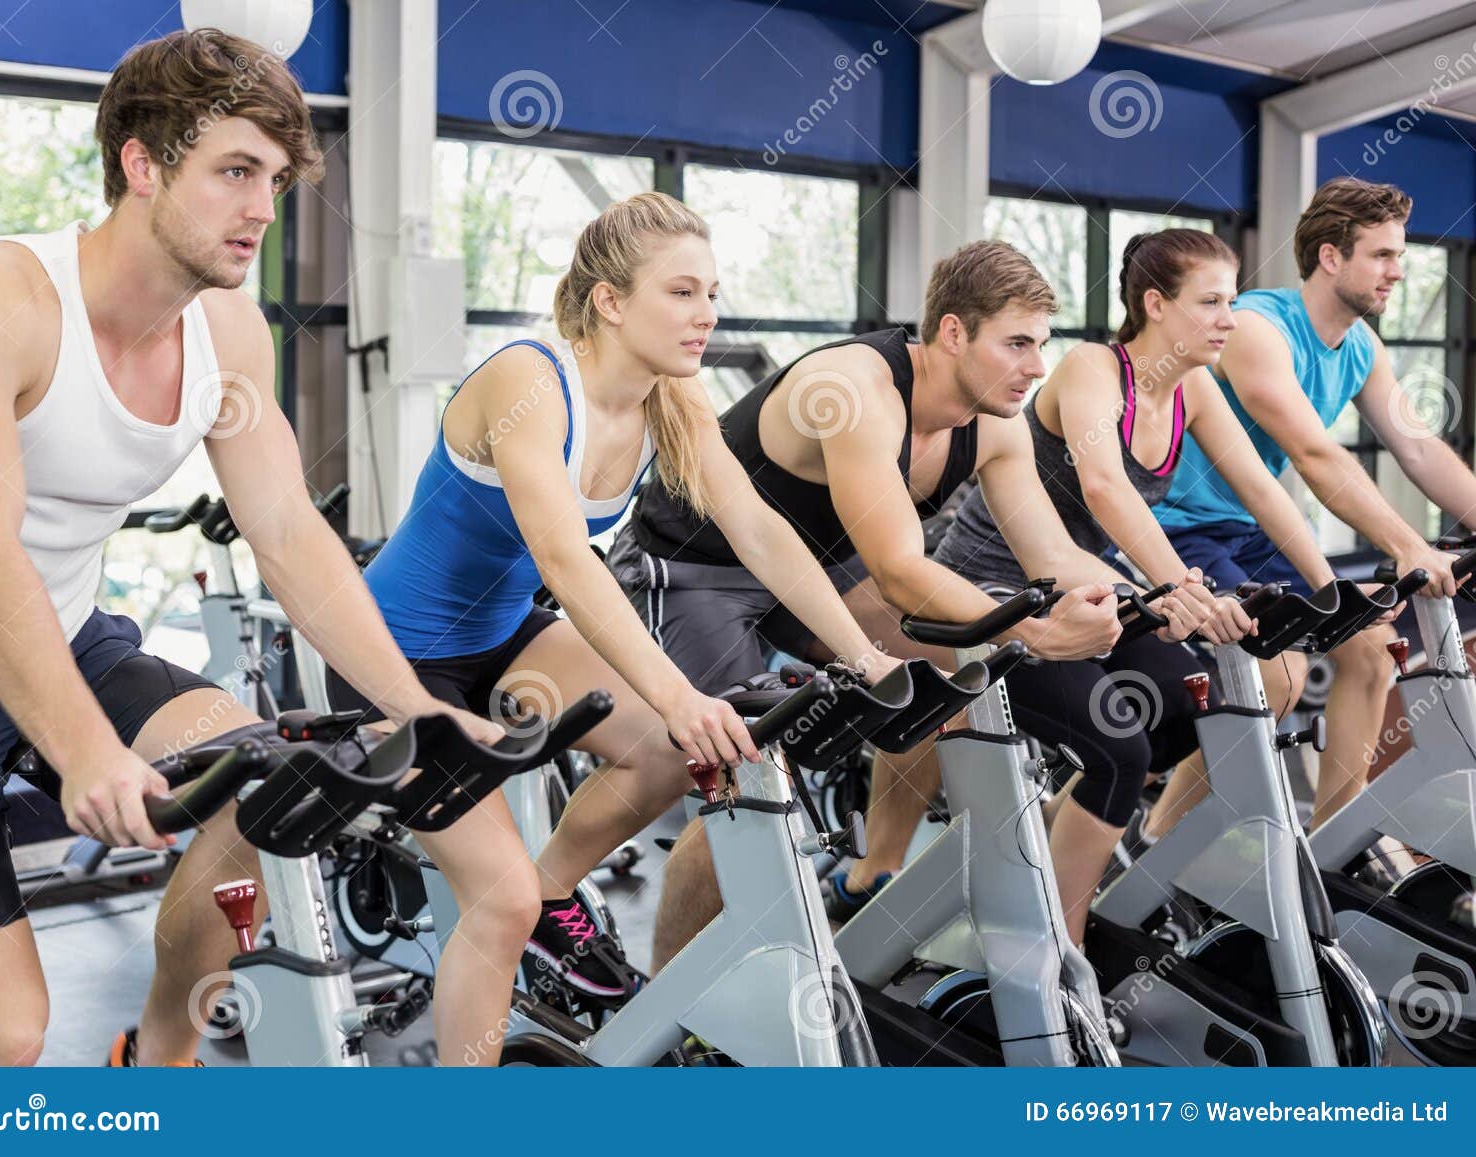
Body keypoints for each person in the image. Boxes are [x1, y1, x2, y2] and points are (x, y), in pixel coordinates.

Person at [0, 31, 499, 1068]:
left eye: (277, 178)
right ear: (142, 162)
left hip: (66, 635)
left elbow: (289, 531)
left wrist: (412, 706)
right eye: (236, 173)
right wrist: (83, 751)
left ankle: (157, 1056)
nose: (265, 207)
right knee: (5, 1034)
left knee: (267, 775)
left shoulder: (227, 332)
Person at [329, 191, 903, 1065]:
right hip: (390, 656)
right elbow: (563, 559)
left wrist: (866, 655)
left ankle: (556, 891)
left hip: (502, 638)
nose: (706, 313)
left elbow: (758, 529)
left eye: (712, 291)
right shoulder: (530, 380)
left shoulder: (672, 398)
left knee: (674, 757)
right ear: (609, 299)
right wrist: (679, 693)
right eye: (681, 292)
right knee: (500, 900)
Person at [615, 239, 1146, 962]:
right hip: (693, 566)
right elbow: (899, 570)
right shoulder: (859, 389)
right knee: (749, 782)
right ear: (954, 332)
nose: (1037, 367)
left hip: (812, 570)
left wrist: (1144, 598)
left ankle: (876, 872)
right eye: (1017, 343)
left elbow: (1051, 555)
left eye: (1041, 344)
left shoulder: (996, 422)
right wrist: (1042, 632)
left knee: (951, 671)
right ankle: (667, 1005)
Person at [932, 228, 1336, 939]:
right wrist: (1182, 587)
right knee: (1120, 748)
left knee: (1190, 706)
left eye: (1232, 301)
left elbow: (1266, 491)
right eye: (1210, 301)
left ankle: (1072, 851)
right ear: (1156, 304)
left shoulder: (1194, 391)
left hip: (1084, 583)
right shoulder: (1093, 367)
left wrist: (1331, 589)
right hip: (997, 586)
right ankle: (1057, 940)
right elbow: (1105, 485)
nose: (1229, 319)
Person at [1149, 178, 1476, 838]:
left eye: (1399, 255)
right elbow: (1312, 453)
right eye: (1382, 255)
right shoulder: (1259, 329)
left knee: (1373, 649)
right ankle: (1155, 840)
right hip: (1178, 529)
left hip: (1253, 530)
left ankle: (1334, 846)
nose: (1397, 271)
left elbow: (1419, 450)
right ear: (1331, 257)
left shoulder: (1360, 347)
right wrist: (1410, 544)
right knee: (1274, 680)